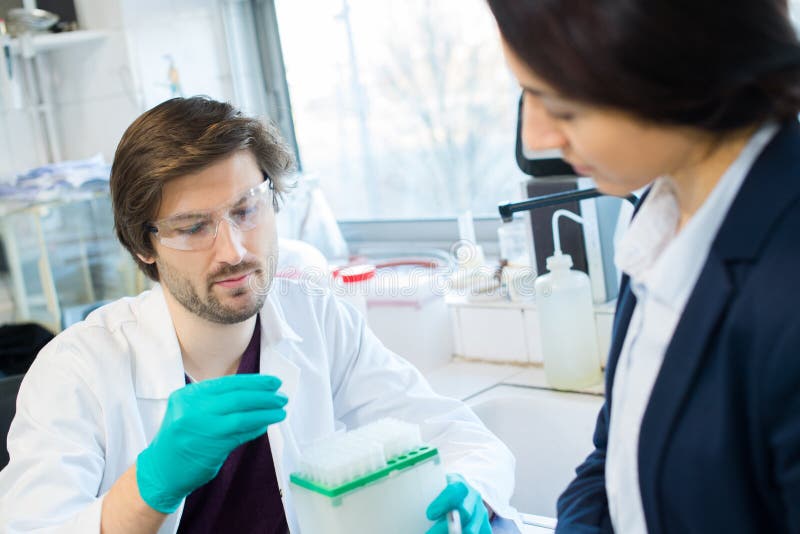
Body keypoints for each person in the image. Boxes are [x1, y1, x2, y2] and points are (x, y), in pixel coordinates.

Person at [0, 96, 515, 533]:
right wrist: (147, 486)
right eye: (193, 227)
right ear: (144, 247)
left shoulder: (317, 317)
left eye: (246, 209)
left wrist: (467, 490)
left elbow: (458, 436)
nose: (233, 250)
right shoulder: (76, 370)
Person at [485, 0, 800, 532]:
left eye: (561, 106)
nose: (537, 139)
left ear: (676, 69)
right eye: (527, 95)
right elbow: (615, 458)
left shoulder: (784, 281)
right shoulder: (659, 223)